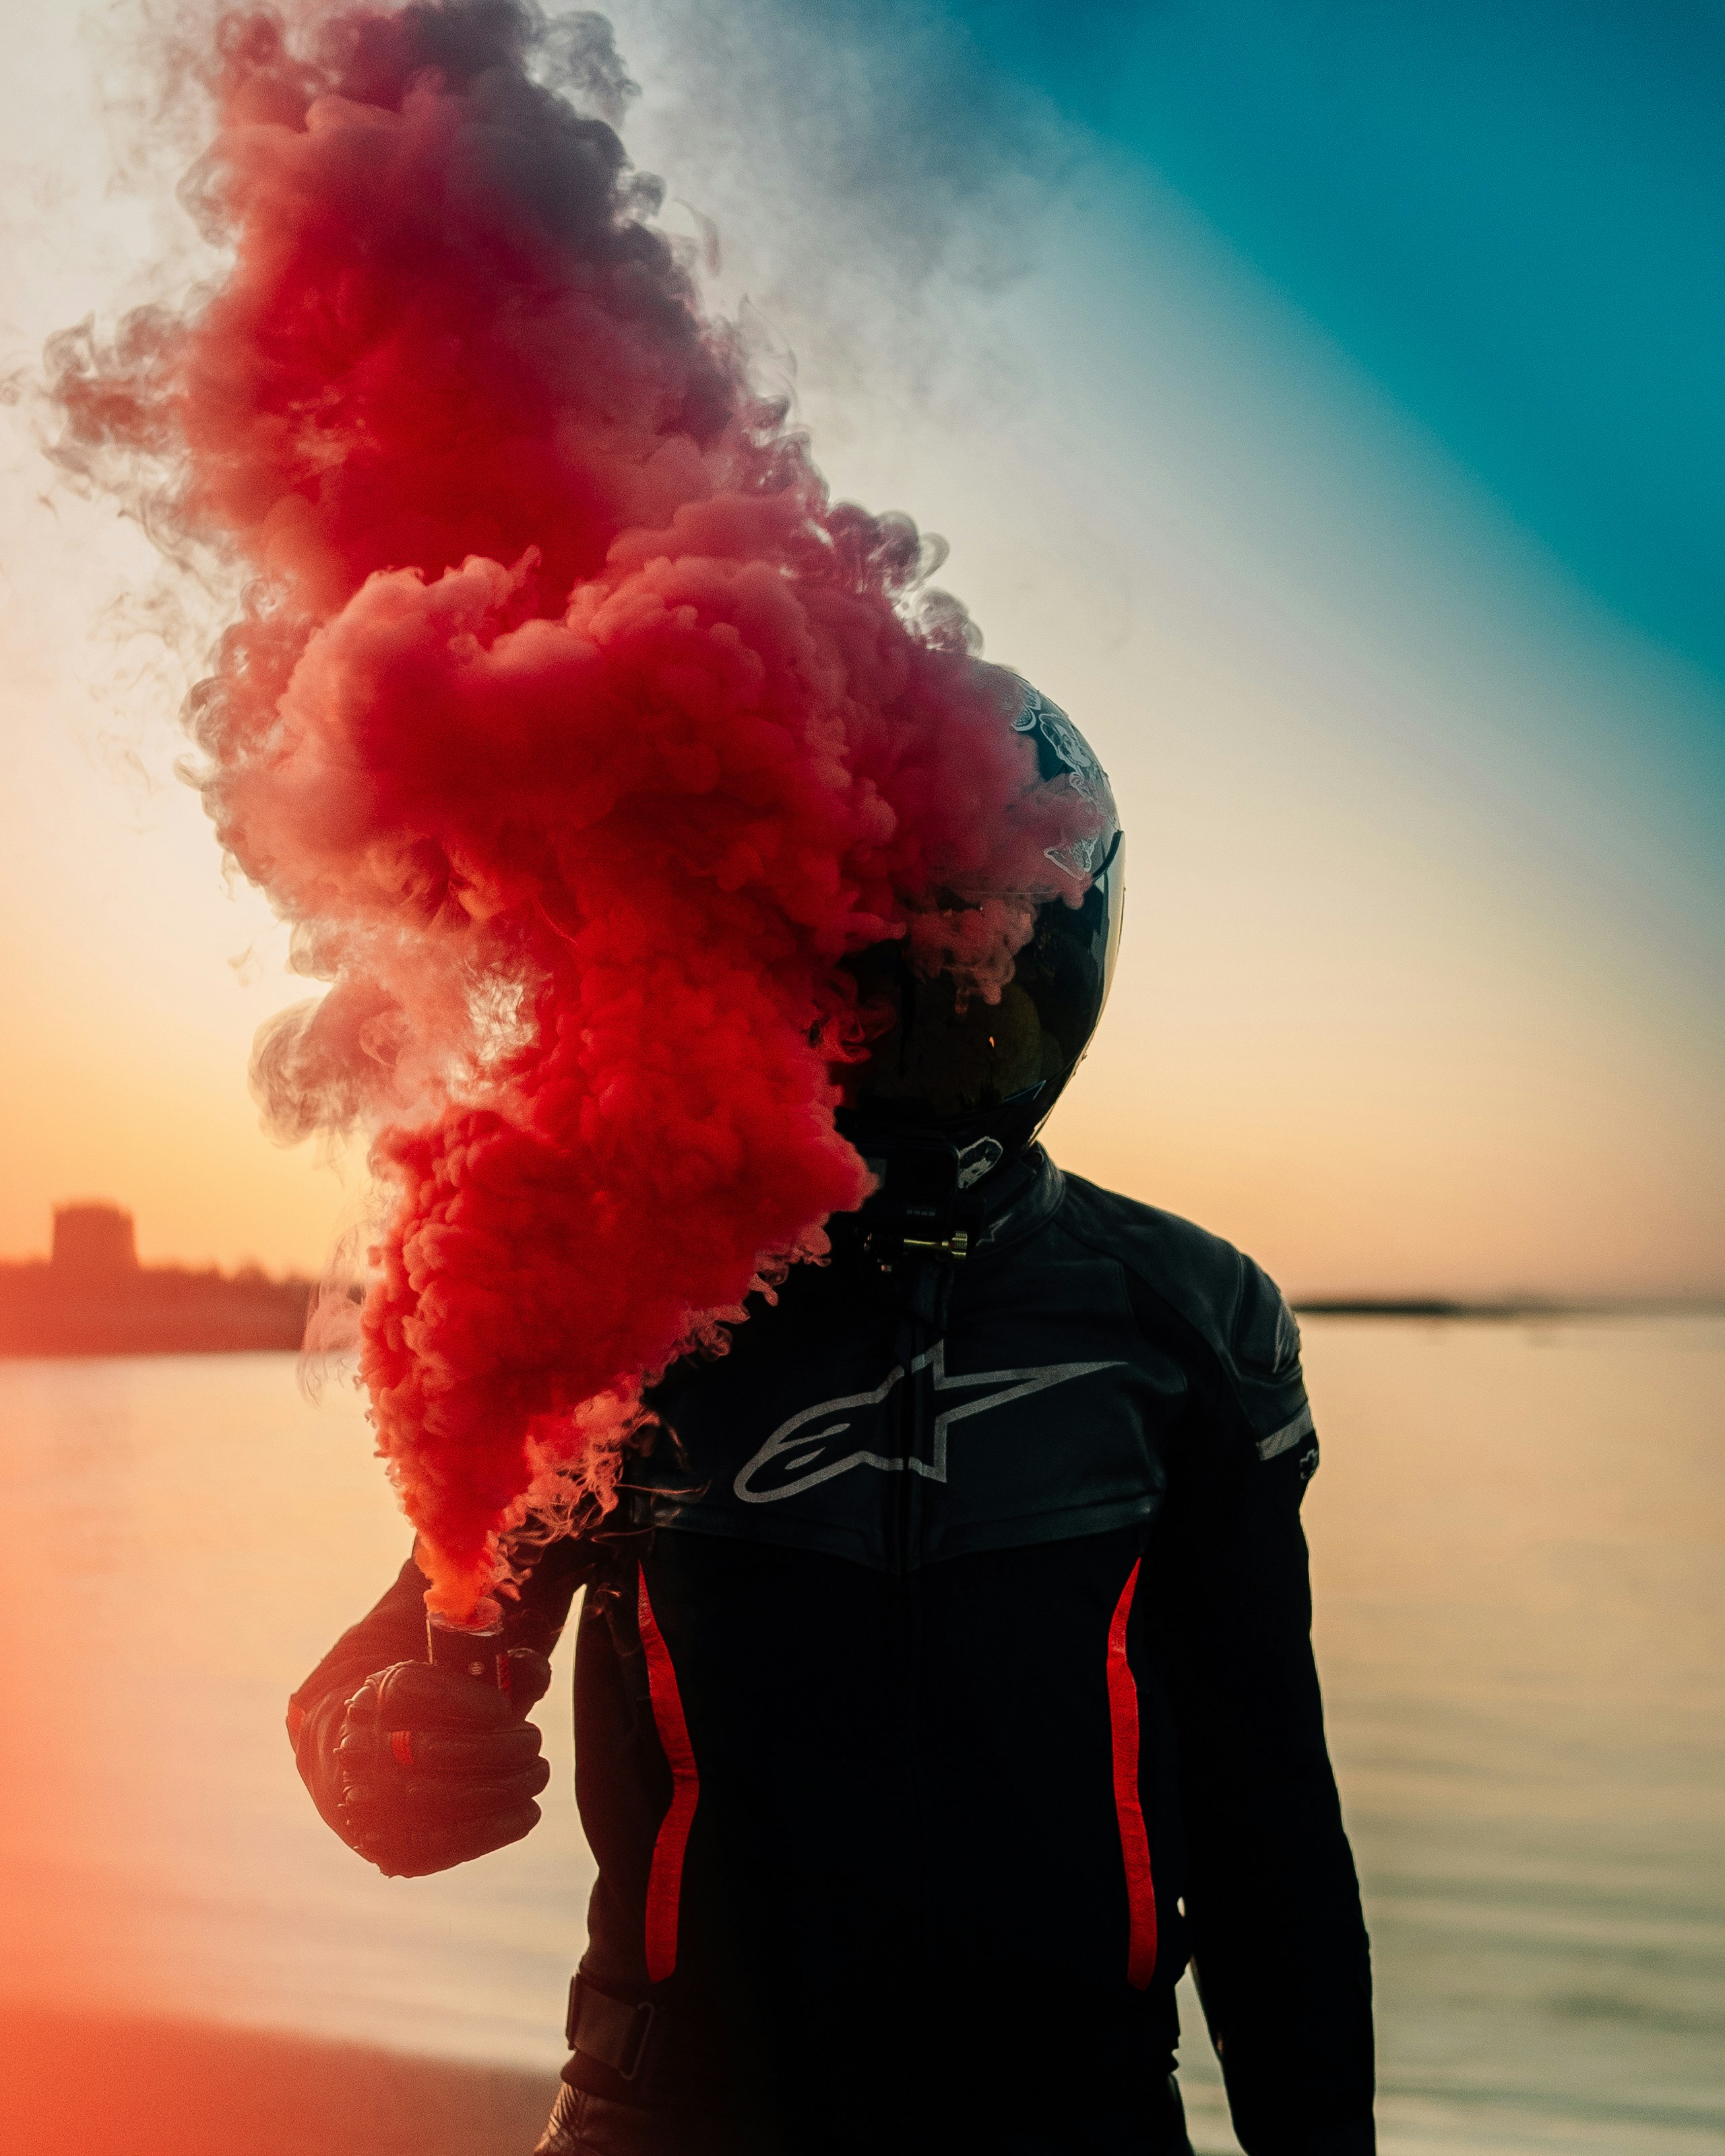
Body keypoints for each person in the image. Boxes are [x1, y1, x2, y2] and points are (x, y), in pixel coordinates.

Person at [288, 685, 1376, 2155]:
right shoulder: (630, 1301)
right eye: (883, 980)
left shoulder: (1185, 1316)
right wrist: (393, 1751)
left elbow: (1266, 1818)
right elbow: (392, 1659)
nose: (940, 1030)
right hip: (671, 2110)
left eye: (984, 972)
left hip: (1078, 2113)